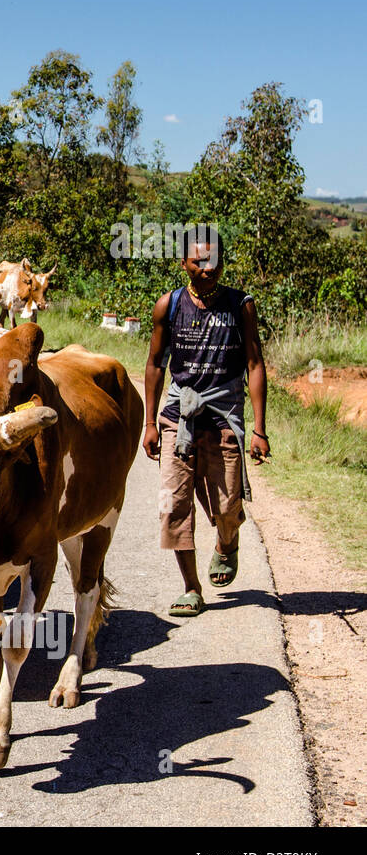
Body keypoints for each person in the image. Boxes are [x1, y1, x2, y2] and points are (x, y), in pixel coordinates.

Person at [143, 227, 269, 618]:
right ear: (184, 263)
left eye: (212, 260)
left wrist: (259, 429)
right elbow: (154, 364)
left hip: (224, 416)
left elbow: (254, 364)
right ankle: (192, 587)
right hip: (178, 417)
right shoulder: (169, 305)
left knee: (228, 505)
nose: (206, 268)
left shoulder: (239, 306)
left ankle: (226, 543)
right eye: (198, 261)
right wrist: (149, 422)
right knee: (175, 505)